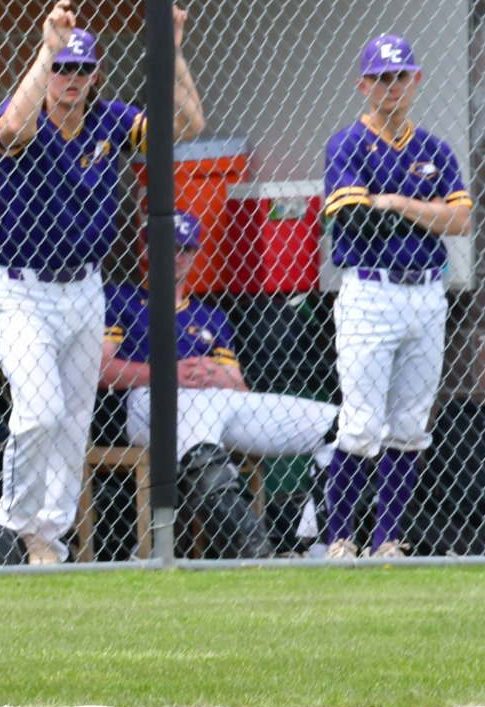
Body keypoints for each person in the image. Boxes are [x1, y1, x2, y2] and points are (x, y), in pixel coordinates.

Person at [0, 0, 203, 565]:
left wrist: (171, 53)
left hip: (85, 290)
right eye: (64, 68)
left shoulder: (110, 120)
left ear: (95, 75)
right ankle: (9, 529)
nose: (71, 79)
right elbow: (9, 129)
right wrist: (47, 49)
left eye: (81, 69)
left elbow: (186, 126)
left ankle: (47, 538)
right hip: (24, 291)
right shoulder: (31, 113)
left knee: (72, 422)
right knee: (39, 411)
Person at [99, 210, 338, 558]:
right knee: (200, 445)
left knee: (339, 425)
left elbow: (239, 388)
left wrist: (215, 374)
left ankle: (319, 547)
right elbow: (102, 371)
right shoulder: (119, 299)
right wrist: (168, 374)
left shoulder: (210, 315)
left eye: (185, 249)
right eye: (167, 246)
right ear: (145, 249)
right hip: (150, 399)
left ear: (195, 253)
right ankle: (257, 555)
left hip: (217, 401)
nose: (176, 256)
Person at [320, 34, 471, 559]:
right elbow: (354, 216)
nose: (392, 86)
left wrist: (397, 203)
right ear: (363, 85)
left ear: (416, 80)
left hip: (427, 292)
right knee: (361, 425)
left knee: (409, 426)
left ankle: (387, 540)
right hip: (371, 291)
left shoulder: (434, 149)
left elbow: (461, 220)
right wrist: (425, 212)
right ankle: (340, 539)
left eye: (400, 76)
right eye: (381, 78)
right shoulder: (346, 144)